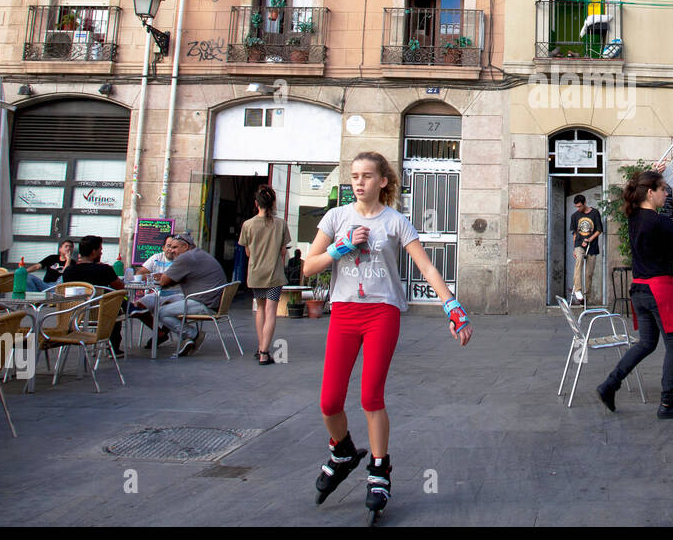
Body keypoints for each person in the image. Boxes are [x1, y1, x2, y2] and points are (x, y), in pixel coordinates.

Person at [302, 150, 473, 516]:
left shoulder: (396, 221)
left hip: (382, 312)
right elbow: (308, 267)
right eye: (353, 176)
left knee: (370, 397)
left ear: (382, 181)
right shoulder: (336, 217)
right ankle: (342, 450)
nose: (359, 182)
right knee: (329, 401)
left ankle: (379, 469)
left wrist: (451, 306)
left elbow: (426, 267)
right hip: (344, 312)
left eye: (366, 176)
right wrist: (339, 248)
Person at [596, 170, 673, 419]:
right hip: (660, 290)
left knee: (646, 343)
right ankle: (667, 404)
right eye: (663, 189)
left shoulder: (634, 216)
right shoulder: (659, 221)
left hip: (639, 289)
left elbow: (640, 181)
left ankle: (610, 384)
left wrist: (659, 170)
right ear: (650, 192)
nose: (667, 194)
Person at [239, 185, 291, 366]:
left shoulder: (248, 225)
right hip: (274, 275)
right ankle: (264, 352)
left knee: (260, 309)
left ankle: (261, 347)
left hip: (255, 274)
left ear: (256, 204)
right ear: (273, 203)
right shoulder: (280, 224)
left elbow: (247, 252)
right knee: (271, 312)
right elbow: (283, 251)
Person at [153, 233, 227, 357]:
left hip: (205, 304)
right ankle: (186, 340)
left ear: (185, 246)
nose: (171, 251)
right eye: (170, 247)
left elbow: (164, 282)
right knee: (169, 304)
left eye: (175, 247)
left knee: (161, 312)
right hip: (213, 302)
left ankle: (192, 335)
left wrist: (164, 278)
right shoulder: (198, 254)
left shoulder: (186, 257)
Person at [61, 235, 126, 355]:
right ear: (93, 252)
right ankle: (113, 347)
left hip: (75, 314)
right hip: (100, 313)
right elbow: (120, 287)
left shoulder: (69, 271)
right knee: (115, 303)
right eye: (100, 249)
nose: (101, 252)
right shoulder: (104, 270)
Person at [568, 194, 603, 304]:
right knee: (579, 261)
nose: (578, 209)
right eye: (576, 207)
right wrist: (574, 249)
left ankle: (586, 297)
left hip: (591, 246)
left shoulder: (595, 213)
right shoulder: (575, 216)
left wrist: (590, 239)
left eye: (579, 206)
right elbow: (575, 234)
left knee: (589, 273)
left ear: (584, 203)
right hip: (579, 244)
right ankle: (578, 290)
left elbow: (599, 230)